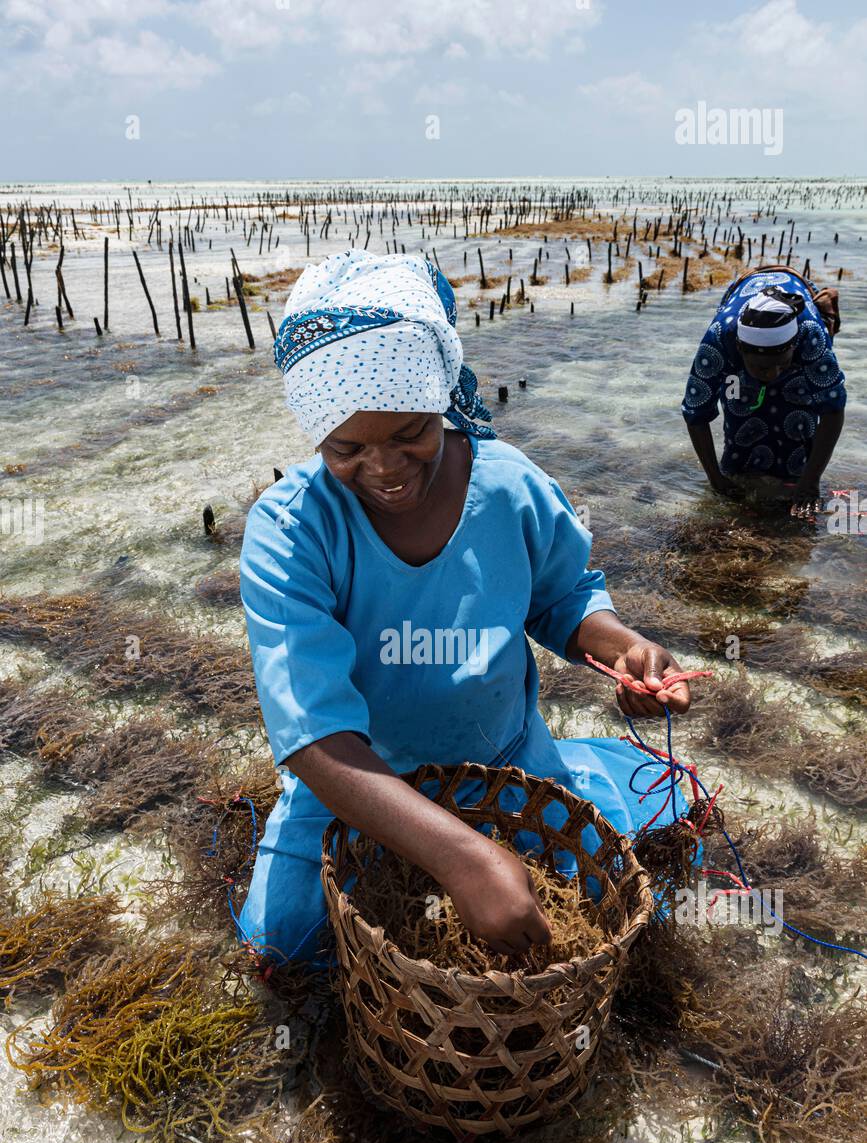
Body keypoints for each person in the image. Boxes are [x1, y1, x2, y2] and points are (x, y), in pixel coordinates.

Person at [238, 250, 696, 966]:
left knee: (599, 910)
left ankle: (568, 766)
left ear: (441, 397)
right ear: (315, 435)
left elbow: (563, 598)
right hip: (356, 779)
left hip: (501, 756)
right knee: (283, 943)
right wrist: (464, 860)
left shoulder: (508, 486)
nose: (384, 470)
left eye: (409, 434)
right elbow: (313, 734)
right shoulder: (290, 531)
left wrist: (620, 648)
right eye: (346, 447)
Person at [682, 268, 846, 518]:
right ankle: (739, 473)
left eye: (782, 364)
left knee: (799, 418)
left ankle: (796, 476)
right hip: (739, 335)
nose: (773, 374)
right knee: (740, 412)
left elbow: (832, 408)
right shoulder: (719, 340)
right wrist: (715, 478)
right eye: (763, 367)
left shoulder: (810, 335)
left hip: (797, 350)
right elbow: (696, 412)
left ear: (794, 347)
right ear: (739, 349)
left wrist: (811, 481)